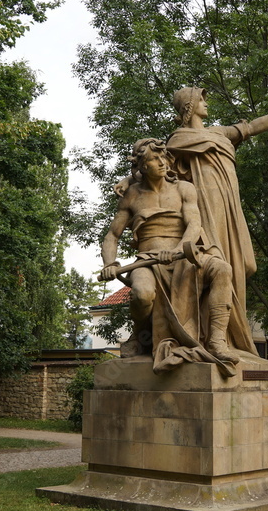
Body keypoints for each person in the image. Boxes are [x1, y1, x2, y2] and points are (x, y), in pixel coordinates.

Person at [164, 87, 268, 356]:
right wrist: (127, 182)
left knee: (246, 264)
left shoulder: (218, 132)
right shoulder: (178, 139)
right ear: (189, 106)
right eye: (201, 99)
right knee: (217, 267)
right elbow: (157, 171)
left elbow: (252, 126)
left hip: (229, 206)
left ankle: (221, 333)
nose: (206, 102)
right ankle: (213, 335)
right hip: (205, 205)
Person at [100, 138, 240, 374]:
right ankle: (139, 334)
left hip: (184, 256)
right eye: (155, 159)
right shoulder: (132, 195)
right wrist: (109, 263)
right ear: (143, 166)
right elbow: (112, 236)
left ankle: (217, 341)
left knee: (222, 269)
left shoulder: (184, 188)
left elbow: (194, 224)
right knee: (142, 295)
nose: (162, 163)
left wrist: (177, 250)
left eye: (163, 157)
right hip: (147, 260)